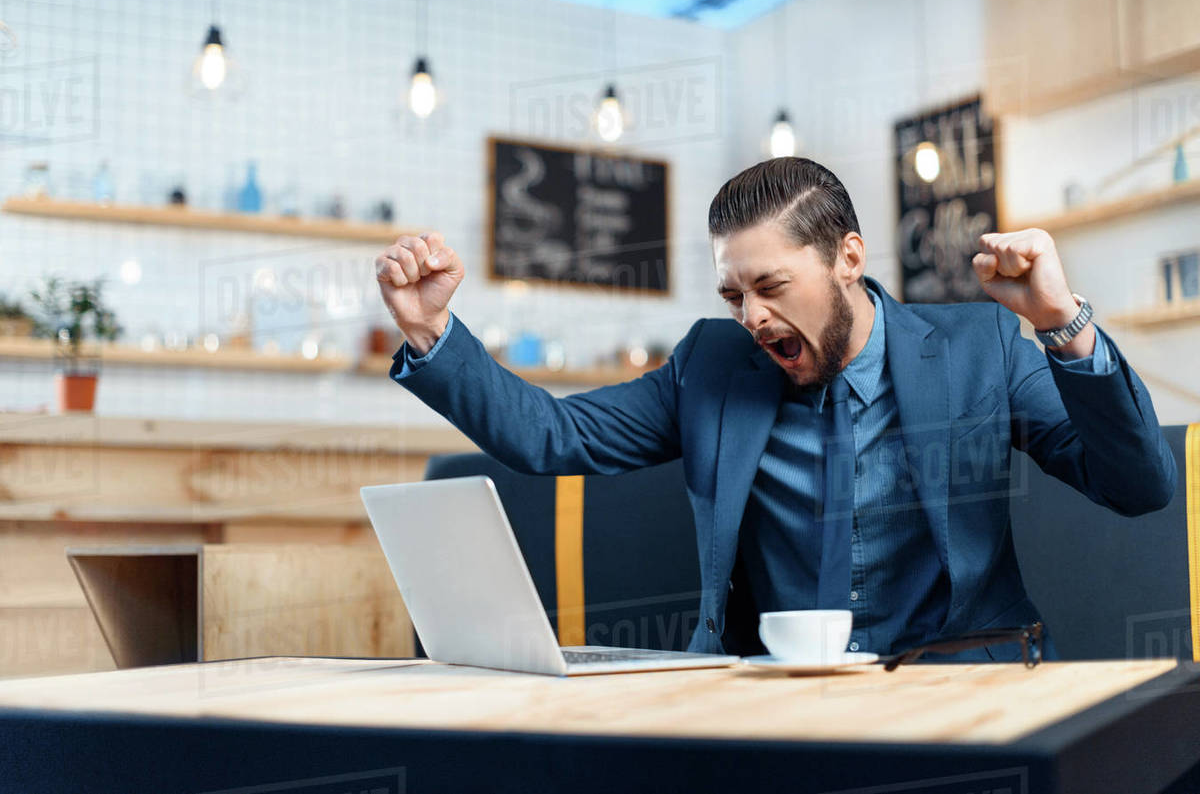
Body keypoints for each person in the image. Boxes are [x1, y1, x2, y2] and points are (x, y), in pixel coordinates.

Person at [374, 157, 1176, 661]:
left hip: (957, 683)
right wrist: (430, 331)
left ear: (848, 259)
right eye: (733, 294)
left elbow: (1139, 484)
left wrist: (1061, 322)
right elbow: (555, 436)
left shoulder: (982, 348)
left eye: (770, 287)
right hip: (774, 696)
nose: (751, 317)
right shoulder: (711, 365)